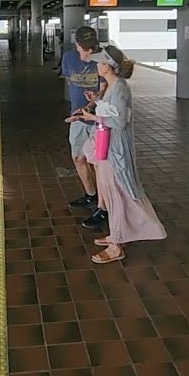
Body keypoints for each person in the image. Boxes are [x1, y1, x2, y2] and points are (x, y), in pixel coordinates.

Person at [67, 46, 166, 263]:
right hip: (107, 147)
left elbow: (119, 121)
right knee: (111, 193)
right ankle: (116, 234)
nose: (96, 65)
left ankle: (116, 246)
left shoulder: (120, 88)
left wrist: (93, 118)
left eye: (100, 62)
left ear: (108, 67)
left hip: (115, 150)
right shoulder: (113, 86)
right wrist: (96, 101)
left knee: (118, 194)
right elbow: (112, 111)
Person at [60, 26, 107, 229]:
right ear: (76, 44)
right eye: (85, 48)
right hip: (78, 118)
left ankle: (103, 207)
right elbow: (70, 81)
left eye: (92, 47)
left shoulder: (103, 59)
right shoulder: (69, 58)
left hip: (98, 120)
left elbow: (106, 87)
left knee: (99, 166)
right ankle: (90, 195)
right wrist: (79, 110)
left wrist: (89, 106)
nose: (89, 52)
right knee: (78, 158)